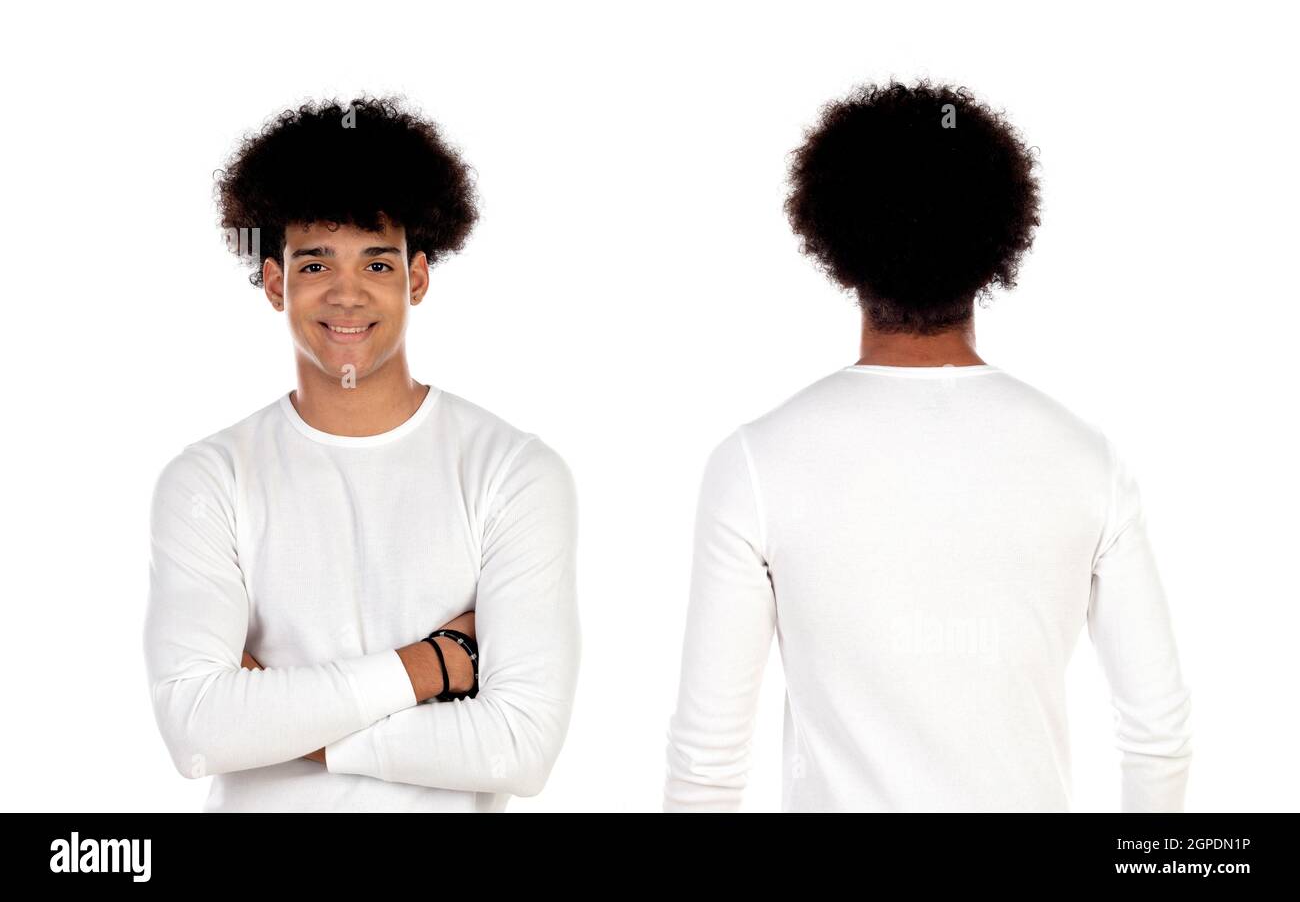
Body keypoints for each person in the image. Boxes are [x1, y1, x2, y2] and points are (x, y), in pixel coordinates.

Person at [663, 79, 1192, 812]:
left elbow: (708, 766)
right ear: (995, 241)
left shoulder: (757, 462)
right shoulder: (1084, 460)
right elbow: (1158, 733)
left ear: (836, 242)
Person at [143, 95, 580, 812]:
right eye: (315, 266)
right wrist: (436, 664)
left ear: (416, 278)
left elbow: (520, 748)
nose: (346, 295)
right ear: (276, 282)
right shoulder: (208, 481)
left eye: (376, 265)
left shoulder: (513, 473)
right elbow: (197, 731)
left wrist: (286, 725)